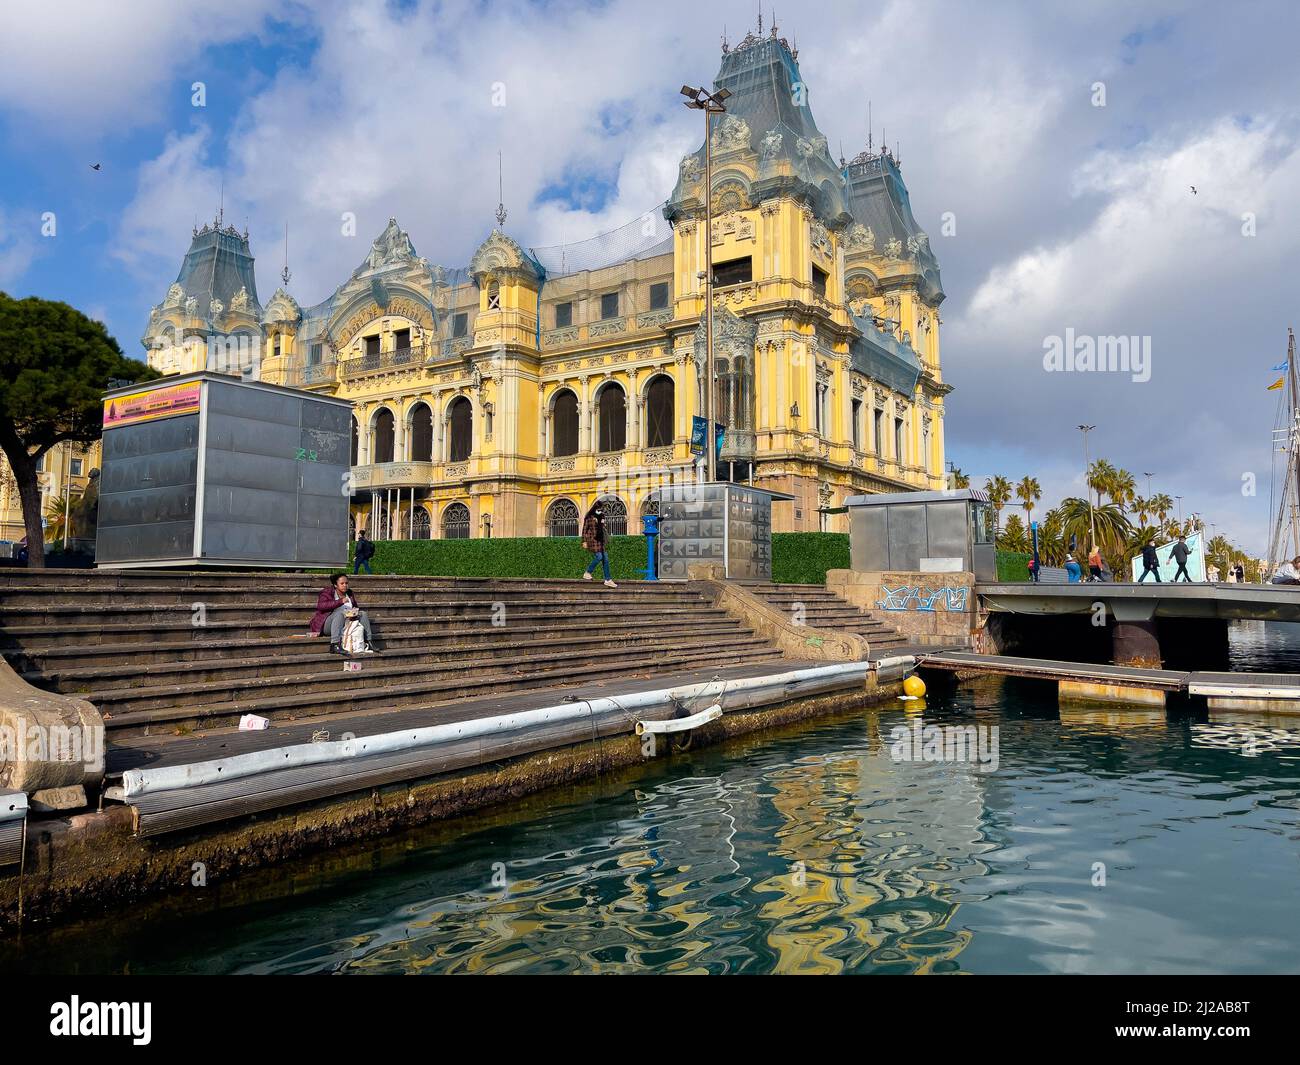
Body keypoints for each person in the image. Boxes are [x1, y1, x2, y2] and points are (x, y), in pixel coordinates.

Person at [310, 573, 375, 654]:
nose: (345, 585)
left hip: (346, 623)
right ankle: (335, 644)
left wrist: (354, 612)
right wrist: (340, 601)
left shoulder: (349, 593)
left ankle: (368, 641)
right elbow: (321, 606)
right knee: (340, 613)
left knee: (363, 614)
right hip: (328, 625)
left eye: (346, 583)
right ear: (335, 585)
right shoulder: (327, 592)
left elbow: (355, 607)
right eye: (342, 583)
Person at [580, 501, 618, 588]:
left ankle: (608, 579)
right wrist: (584, 541)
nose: (600, 510)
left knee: (606, 559)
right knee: (599, 557)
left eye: (601, 509)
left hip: (600, 540)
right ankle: (588, 572)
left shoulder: (602, 516)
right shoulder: (589, 516)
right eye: (598, 509)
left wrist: (602, 523)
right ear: (595, 508)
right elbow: (584, 529)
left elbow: (602, 527)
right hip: (592, 539)